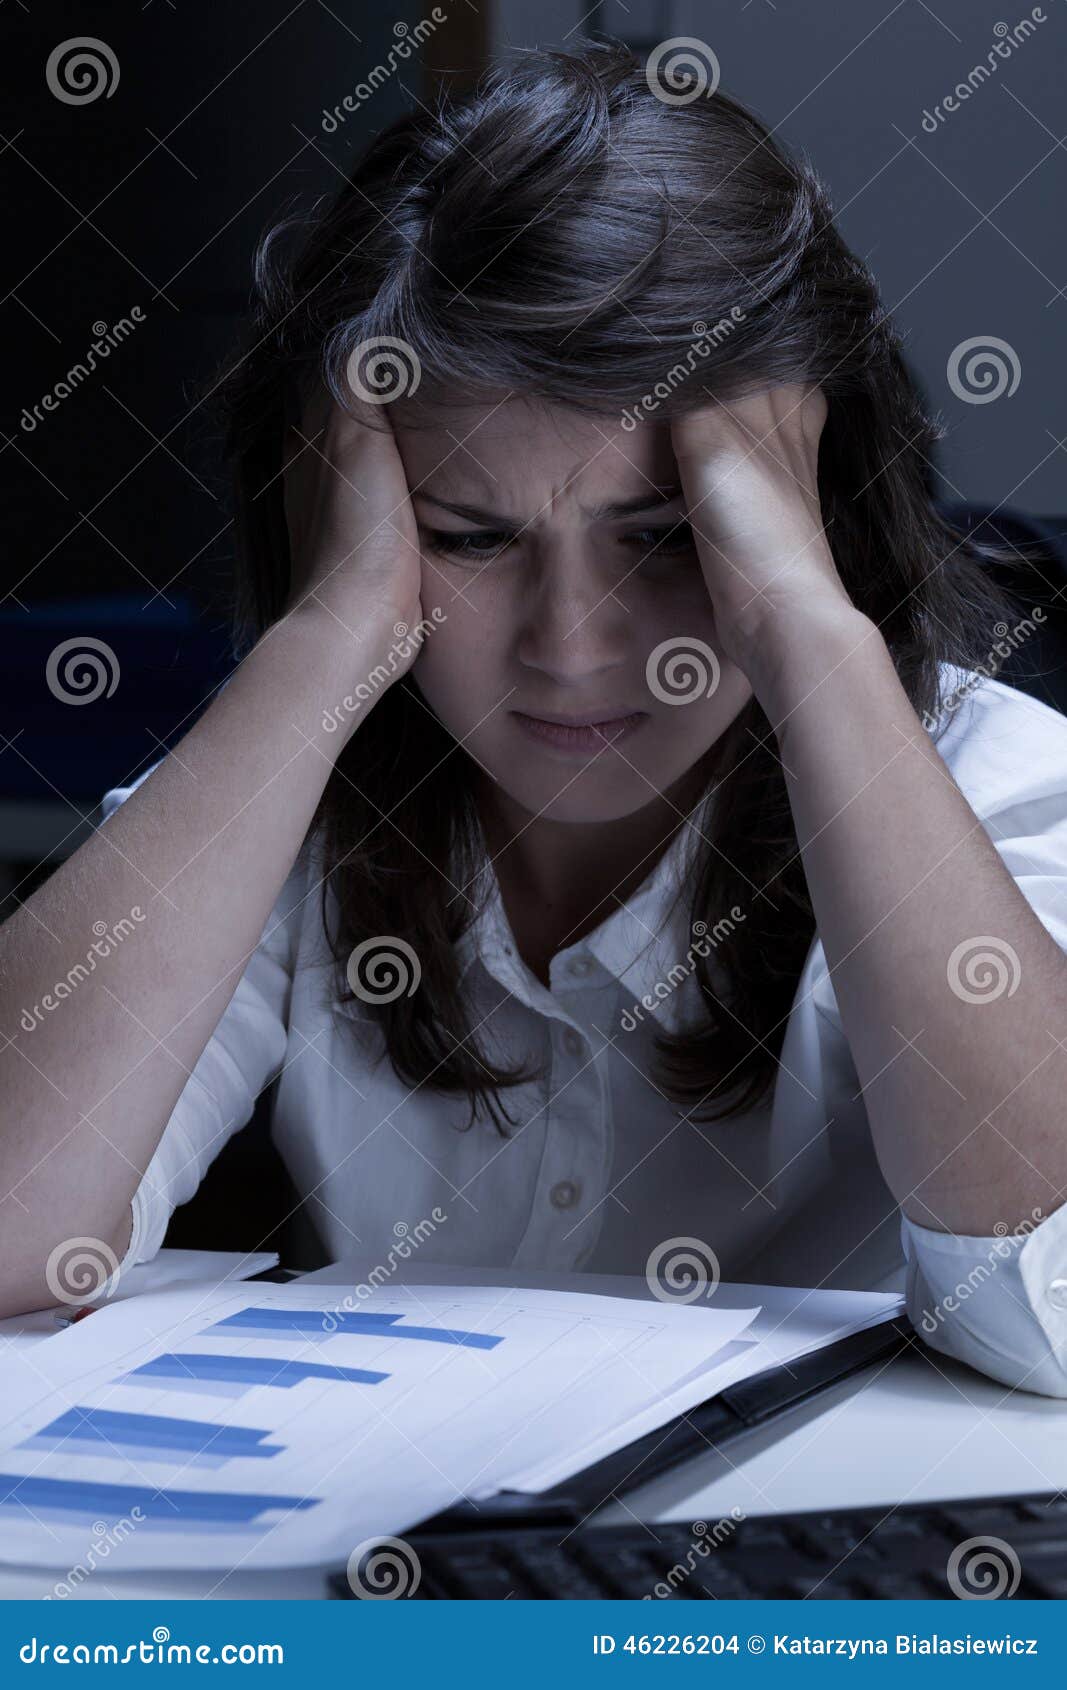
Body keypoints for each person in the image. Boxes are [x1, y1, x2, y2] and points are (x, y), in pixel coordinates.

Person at [2, 40, 1066, 1398]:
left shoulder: (1006, 784)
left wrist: (809, 629)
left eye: (668, 539)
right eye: (470, 536)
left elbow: (1054, 1313)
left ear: (811, 513)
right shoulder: (286, 798)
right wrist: (329, 637)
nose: (572, 649)